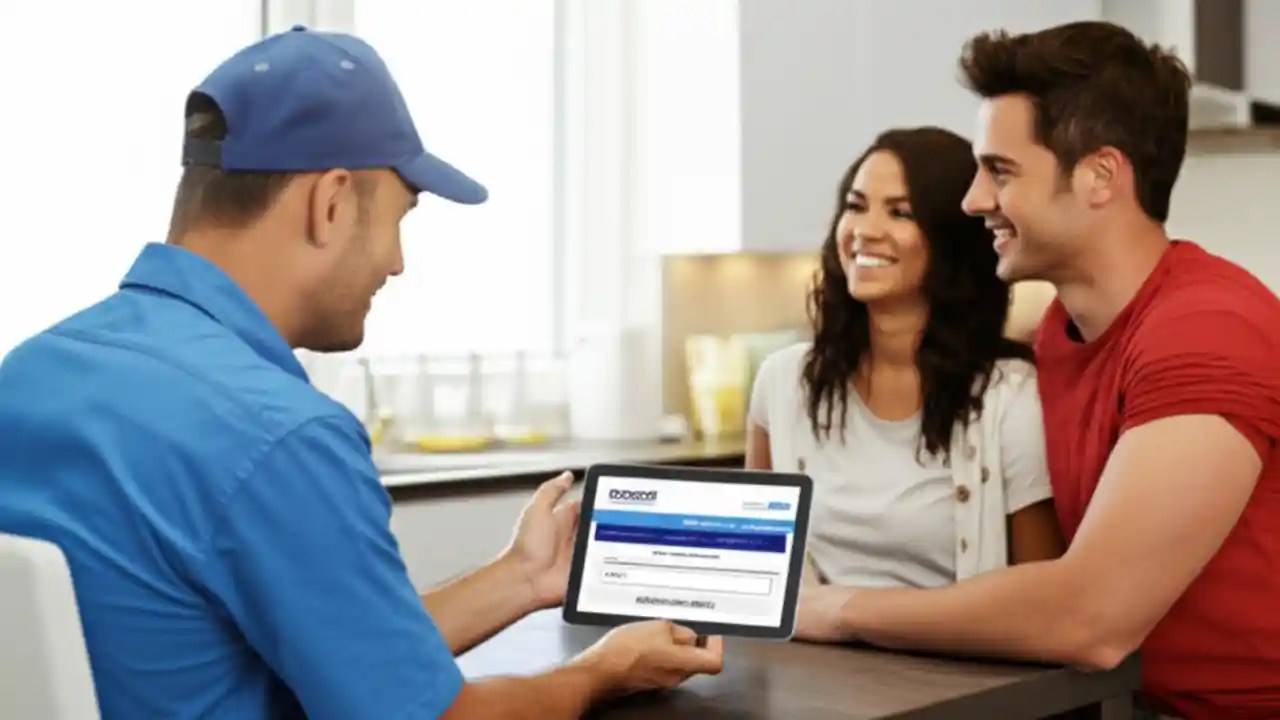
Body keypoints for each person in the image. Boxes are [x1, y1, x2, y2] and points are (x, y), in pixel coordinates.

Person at [0, 26, 722, 720]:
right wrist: (600, 672)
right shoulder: (277, 436)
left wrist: (521, 578)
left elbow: (344, 657)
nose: (397, 262)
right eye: (401, 217)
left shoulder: (32, 375)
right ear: (333, 201)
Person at [792, 20, 1280, 720]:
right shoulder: (1062, 332)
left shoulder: (1207, 332)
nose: (972, 200)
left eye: (1000, 171)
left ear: (1100, 176)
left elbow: (1092, 617)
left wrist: (839, 609)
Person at [746, 127, 1064, 592]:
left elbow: (1040, 597)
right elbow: (758, 573)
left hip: (955, 663)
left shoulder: (1010, 398)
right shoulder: (783, 381)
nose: (865, 231)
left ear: (950, 239)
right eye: (855, 206)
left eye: (901, 213)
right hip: (805, 663)